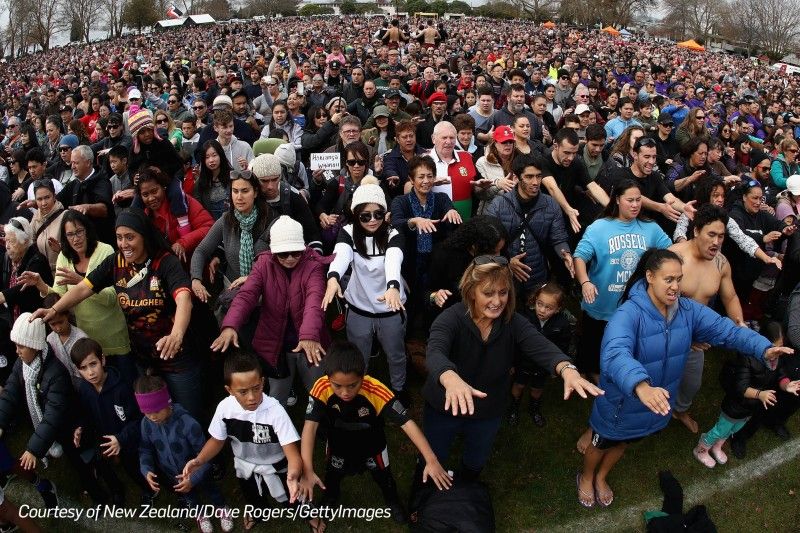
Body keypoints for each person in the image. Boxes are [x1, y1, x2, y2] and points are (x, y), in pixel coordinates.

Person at [579, 249, 791, 508]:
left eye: (679, 279)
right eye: (669, 279)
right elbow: (614, 354)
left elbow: (726, 330)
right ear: (649, 276)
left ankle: (601, 477)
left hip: (650, 406)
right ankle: (587, 476)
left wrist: (762, 347)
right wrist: (641, 385)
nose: (676, 286)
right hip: (621, 403)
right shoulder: (628, 314)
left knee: (622, 444)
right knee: (600, 443)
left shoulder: (687, 310)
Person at [421, 255, 601, 484]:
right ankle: (425, 496)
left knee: (476, 460)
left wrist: (567, 369)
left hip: (488, 409)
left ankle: (467, 491)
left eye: (503, 292)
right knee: (433, 458)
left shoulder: (513, 322)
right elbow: (435, 351)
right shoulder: (450, 318)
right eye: (488, 293)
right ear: (471, 291)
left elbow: (541, 346)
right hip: (444, 406)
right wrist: (449, 377)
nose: (497, 301)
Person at [31, 209, 202, 419]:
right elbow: (84, 288)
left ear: (144, 236)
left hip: (176, 357)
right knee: (154, 414)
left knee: (188, 414)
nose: (124, 244)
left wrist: (176, 335)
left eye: (130, 237)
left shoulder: (165, 262)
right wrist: (54, 309)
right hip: (142, 357)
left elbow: (184, 297)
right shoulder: (116, 262)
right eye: (119, 237)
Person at [298, 341, 452, 524]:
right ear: (327, 377)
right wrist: (307, 469)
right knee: (333, 475)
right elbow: (309, 427)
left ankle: (392, 500)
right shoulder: (321, 387)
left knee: (384, 477)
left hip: (373, 446)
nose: (345, 392)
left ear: (363, 376)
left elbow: (407, 423)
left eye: (353, 385)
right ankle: (331, 497)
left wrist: (431, 460)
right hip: (338, 444)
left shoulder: (375, 389)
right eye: (337, 386)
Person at [183, 353, 318, 532]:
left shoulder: (275, 411)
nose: (252, 397)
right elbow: (217, 440)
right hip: (245, 465)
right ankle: (258, 511)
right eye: (243, 392)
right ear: (229, 390)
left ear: (262, 382)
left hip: (277, 466)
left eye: (256, 388)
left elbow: (292, 454)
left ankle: (309, 513)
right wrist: (199, 460)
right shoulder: (224, 408)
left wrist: (293, 475)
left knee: (293, 498)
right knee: (253, 496)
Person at [211, 216, 330, 406]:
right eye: (283, 254)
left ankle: (323, 428)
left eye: (296, 252)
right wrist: (230, 325)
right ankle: (276, 430)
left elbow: (314, 302)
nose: (290, 258)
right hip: (275, 343)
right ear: (273, 251)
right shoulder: (263, 264)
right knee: (276, 395)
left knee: (319, 392)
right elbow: (246, 295)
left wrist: (308, 335)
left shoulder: (313, 266)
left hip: (310, 343)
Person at [573, 178, 671, 383]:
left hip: (634, 303)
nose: (635, 205)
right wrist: (584, 282)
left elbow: (670, 251)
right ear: (617, 200)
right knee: (592, 339)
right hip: (600, 300)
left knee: (624, 340)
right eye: (630, 200)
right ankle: (588, 369)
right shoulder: (599, 227)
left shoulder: (650, 228)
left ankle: (613, 370)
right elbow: (580, 256)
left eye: (638, 200)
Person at [20, 210, 133, 384]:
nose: (76, 238)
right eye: (70, 234)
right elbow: (60, 300)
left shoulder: (105, 251)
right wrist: (40, 284)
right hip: (86, 341)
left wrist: (83, 281)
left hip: (113, 338)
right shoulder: (64, 257)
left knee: (124, 389)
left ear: (87, 230)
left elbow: (112, 297)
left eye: (79, 232)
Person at [322, 179, 409, 401]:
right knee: (359, 355)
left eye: (378, 214)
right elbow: (341, 255)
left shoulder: (393, 233)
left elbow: (393, 259)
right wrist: (333, 277)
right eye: (365, 215)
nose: (372, 221)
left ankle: (398, 389)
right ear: (355, 214)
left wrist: (392, 287)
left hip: (391, 305)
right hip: (359, 307)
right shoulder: (348, 233)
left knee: (396, 354)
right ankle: (360, 391)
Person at [669, 205, 748, 433]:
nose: (716, 242)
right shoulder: (674, 257)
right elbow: (654, 305)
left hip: (697, 339)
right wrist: (683, 336)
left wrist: (739, 324)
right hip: (663, 334)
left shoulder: (721, 263)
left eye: (721, 236)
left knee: (692, 384)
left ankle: (680, 410)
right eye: (711, 234)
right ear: (696, 231)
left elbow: (730, 297)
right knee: (652, 378)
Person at [135, 375, 234, 533]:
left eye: (156, 410)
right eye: (147, 413)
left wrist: (193, 478)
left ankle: (221, 507)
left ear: (167, 403)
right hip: (173, 475)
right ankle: (200, 514)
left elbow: (205, 456)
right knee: (189, 496)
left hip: (199, 472)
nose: (152, 416)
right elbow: (145, 448)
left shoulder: (188, 423)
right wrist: (146, 469)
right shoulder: (146, 423)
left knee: (211, 489)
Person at [0, 313, 80, 507]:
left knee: (77, 459)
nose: (16, 351)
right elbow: (10, 393)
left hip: (66, 426)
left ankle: (95, 490)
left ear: (35, 346)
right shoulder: (23, 364)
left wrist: (33, 449)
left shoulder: (55, 373)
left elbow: (53, 415)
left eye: (21, 346)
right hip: (50, 425)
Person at [694, 322, 800, 468]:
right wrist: (760, 394)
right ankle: (701, 449)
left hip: (750, 409)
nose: (779, 352)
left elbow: (781, 375)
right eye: (775, 348)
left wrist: (787, 385)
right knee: (720, 429)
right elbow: (740, 387)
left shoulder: (777, 359)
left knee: (733, 429)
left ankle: (717, 447)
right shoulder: (747, 358)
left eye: (781, 347)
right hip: (736, 406)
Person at [70, 338, 151, 507]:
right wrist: (80, 427)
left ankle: (150, 490)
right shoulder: (85, 388)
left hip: (128, 440)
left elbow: (138, 420)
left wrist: (121, 439)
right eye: (83, 368)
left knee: (134, 466)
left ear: (103, 360)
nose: (90, 372)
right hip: (103, 438)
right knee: (104, 464)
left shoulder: (122, 387)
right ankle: (118, 491)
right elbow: (86, 413)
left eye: (93, 364)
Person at [390, 156, 461, 337]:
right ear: (412, 180)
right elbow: (397, 223)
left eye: (430, 176)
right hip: (410, 263)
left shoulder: (441, 198)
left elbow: (449, 210)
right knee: (410, 305)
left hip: (435, 264)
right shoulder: (401, 201)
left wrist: (452, 210)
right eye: (421, 177)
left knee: (434, 302)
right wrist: (414, 221)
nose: (426, 181)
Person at [487, 154, 574, 293]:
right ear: (517, 178)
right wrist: (507, 262)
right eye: (529, 176)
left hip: (537, 275)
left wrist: (566, 253)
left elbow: (559, 238)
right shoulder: (499, 205)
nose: (535, 182)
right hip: (504, 278)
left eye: (538, 176)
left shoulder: (550, 205)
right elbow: (487, 244)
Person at [191, 170, 273, 303]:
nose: (239, 197)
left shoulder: (271, 219)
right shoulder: (226, 220)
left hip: (266, 291)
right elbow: (201, 250)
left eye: (245, 191)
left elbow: (279, 262)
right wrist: (196, 279)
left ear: (256, 192)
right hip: (233, 291)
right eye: (235, 191)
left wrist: (252, 278)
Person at [509, 282, 572, 427]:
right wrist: (511, 363)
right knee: (518, 385)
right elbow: (513, 343)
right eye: (539, 304)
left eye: (548, 307)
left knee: (537, 388)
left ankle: (534, 408)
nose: (542, 310)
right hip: (522, 362)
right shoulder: (524, 317)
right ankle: (514, 407)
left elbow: (563, 346)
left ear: (558, 309)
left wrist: (556, 368)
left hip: (543, 367)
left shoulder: (562, 324)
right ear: (535, 301)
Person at [136, 166, 213, 263]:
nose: (151, 198)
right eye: (145, 195)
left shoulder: (185, 202)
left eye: (154, 191)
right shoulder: (144, 217)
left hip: (196, 264)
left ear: (163, 187)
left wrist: (183, 243)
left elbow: (209, 227)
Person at [42, 293, 86, 388]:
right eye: (53, 324)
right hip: (59, 384)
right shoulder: (50, 339)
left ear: (67, 316)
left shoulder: (81, 338)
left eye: (61, 322)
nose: (58, 328)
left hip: (82, 384)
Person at [474, 125, 518, 215]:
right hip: (490, 213)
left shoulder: (520, 161)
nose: (508, 145)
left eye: (510, 141)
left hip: (514, 213)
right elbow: (481, 195)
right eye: (504, 142)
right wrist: (498, 185)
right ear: (495, 143)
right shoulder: (482, 162)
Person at [29, 178, 66, 274]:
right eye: (39, 199)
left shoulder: (66, 217)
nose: (43, 203)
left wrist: (60, 249)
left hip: (63, 273)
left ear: (54, 196)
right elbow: (30, 242)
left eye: (47, 197)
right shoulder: (35, 217)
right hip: (42, 275)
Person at [194, 140, 232, 221]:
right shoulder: (199, 183)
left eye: (214, 155)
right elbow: (199, 211)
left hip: (232, 222)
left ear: (220, 155)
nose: (211, 160)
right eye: (207, 157)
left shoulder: (232, 177)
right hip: (211, 225)